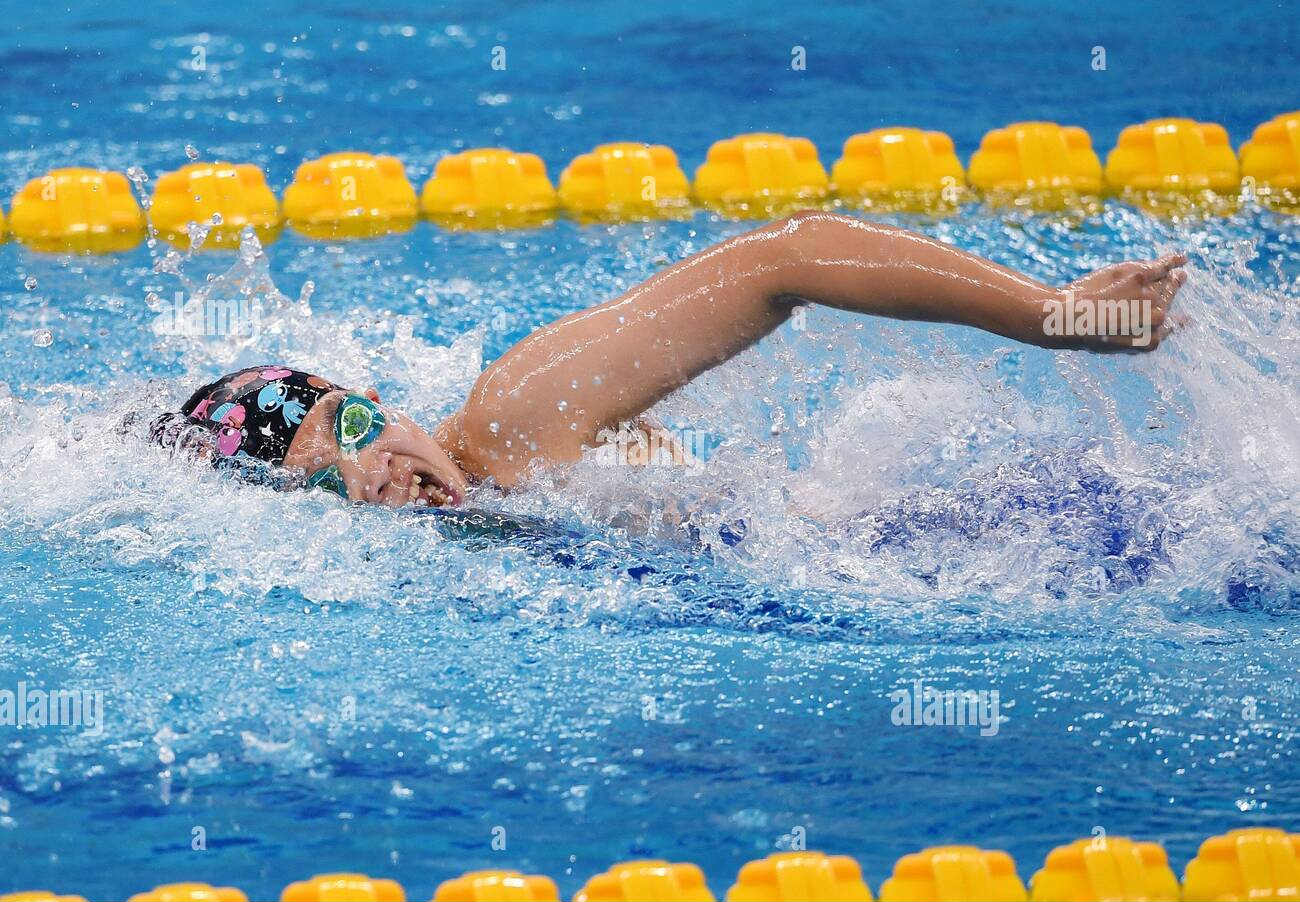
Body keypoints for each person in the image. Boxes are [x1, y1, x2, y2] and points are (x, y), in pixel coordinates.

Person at [150, 210, 1188, 508]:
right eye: (327, 488)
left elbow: (786, 257)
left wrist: (1051, 317)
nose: (369, 473)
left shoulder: (514, 419)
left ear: (379, 399)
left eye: (352, 429)